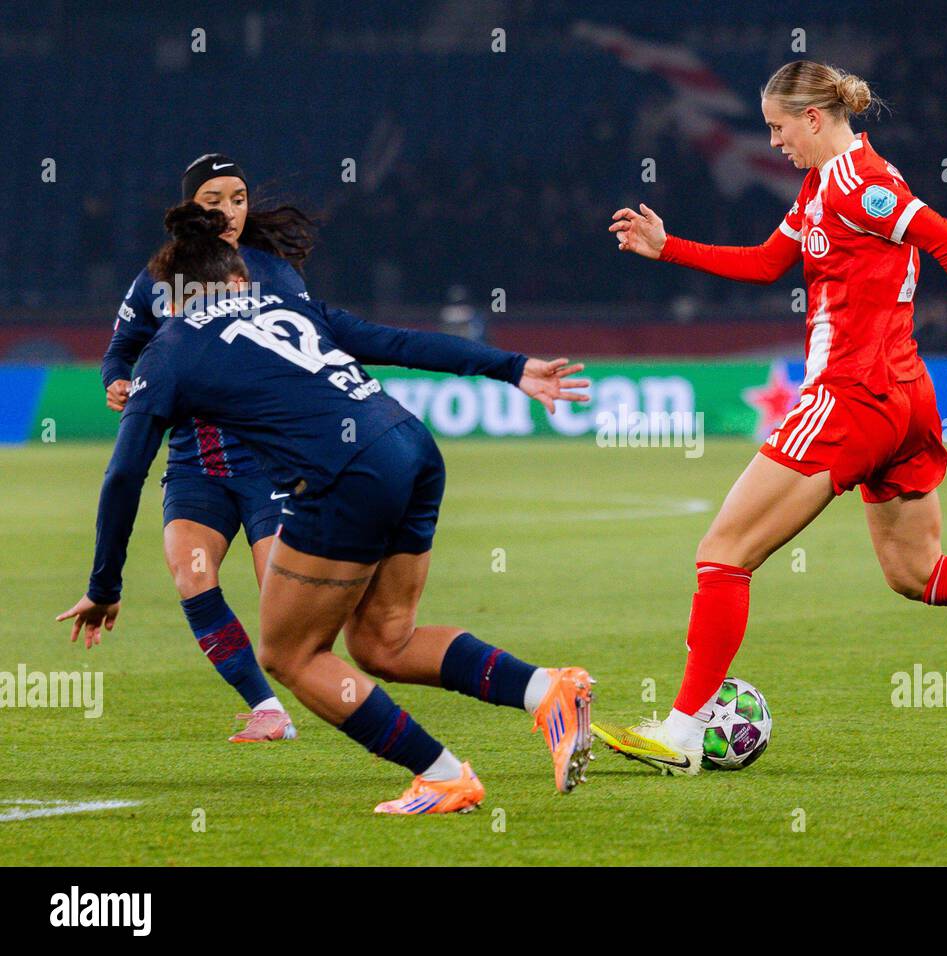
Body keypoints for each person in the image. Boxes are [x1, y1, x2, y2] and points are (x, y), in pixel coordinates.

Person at [594, 61, 947, 776]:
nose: (774, 142)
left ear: (813, 118)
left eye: (778, 128)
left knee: (723, 554)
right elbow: (766, 264)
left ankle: (683, 734)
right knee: (917, 572)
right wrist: (670, 248)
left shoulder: (860, 184)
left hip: (851, 396)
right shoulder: (825, 184)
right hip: (904, 399)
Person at [60, 203, 594, 812]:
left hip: (345, 478)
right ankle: (546, 690)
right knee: (384, 642)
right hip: (410, 448)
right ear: (238, 277)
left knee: (289, 653)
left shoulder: (169, 350)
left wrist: (103, 585)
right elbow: (397, 343)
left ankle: (443, 775)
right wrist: (513, 366)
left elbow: (125, 473)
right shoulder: (289, 306)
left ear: (173, 297)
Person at [101, 153, 317, 742]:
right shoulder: (157, 279)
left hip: (266, 462)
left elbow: (309, 352)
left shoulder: (275, 275)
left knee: (283, 606)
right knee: (192, 578)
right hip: (195, 463)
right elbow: (121, 348)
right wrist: (116, 380)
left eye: (238, 199)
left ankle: (360, 698)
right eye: (213, 200)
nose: (229, 212)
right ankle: (267, 709)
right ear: (189, 208)